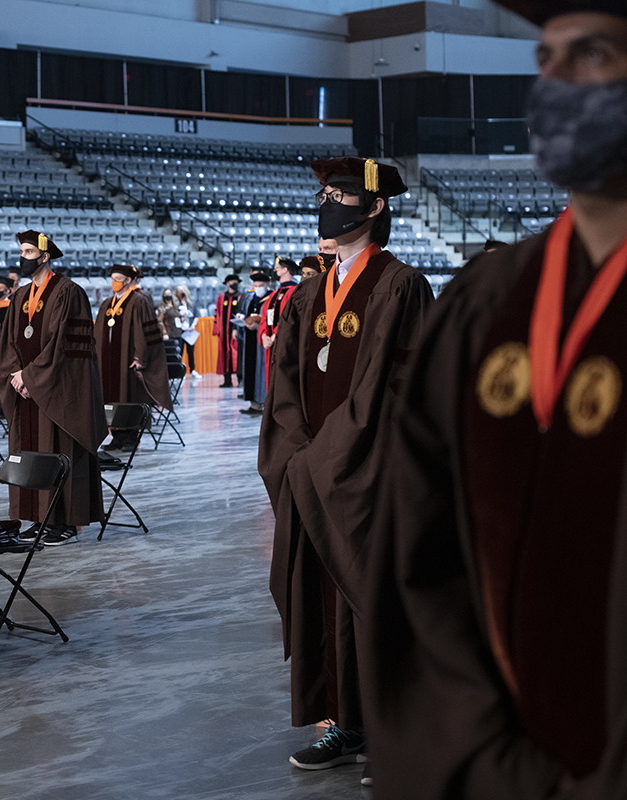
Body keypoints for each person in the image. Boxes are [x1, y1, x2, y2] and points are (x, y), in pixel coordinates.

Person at [361, 4, 627, 797]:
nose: (554, 83)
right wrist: (486, 766)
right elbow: (419, 558)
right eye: (546, 58)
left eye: (595, 55)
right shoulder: (490, 303)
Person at [258, 156, 432, 780]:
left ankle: (388, 731)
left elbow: (394, 392)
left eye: (341, 194)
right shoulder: (308, 293)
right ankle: (341, 724)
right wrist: (296, 453)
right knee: (322, 593)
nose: (327, 203)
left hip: (366, 475)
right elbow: (282, 384)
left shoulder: (401, 285)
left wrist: (328, 459)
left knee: (368, 591)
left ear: (376, 208)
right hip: (310, 469)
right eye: (324, 193)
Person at [0, 231, 107, 545]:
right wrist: (16, 376)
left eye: (29, 251)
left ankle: (64, 523)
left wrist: (31, 378)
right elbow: (8, 344)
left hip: (57, 391)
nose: (23, 257)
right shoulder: (20, 296)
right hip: (25, 391)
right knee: (30, 449)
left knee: (58, 448)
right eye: (21, 251)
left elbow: (64, 347)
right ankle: (37, 516)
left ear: (45, 256)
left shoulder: (69, 292)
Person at [94, 264, 171, 450]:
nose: (114, 282)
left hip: (127, 361)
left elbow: (144, 333)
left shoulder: (138, 301)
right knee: (111, 399)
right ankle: (117, 437)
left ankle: (132, 437)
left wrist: (140, 358)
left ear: (128, 280)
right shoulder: (107, 303)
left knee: (129, 397)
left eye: (118, 279)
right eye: (112, 279)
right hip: (108, 362)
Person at [258, 257, 300, 386]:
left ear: (285, 269)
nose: (275, 269)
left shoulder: (295, 292)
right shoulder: (273, 294)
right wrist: (264, 335)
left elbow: (290, 317)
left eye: (278, 267)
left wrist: (276, 335)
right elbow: (265, 317)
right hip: (270, 342)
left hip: (284, 342)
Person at [238, 269, 270, 415]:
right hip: (250, 337)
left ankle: (264, 402)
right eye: (255, 284)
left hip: (264, 339)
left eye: (260, 285)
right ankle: (254, 404)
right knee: (250, 368)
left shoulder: (271, 298)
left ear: (267, 285)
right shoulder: (250, 298)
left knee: (262, 370)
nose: (257, 287)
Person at [212, 273, 244, 389]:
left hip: (237, 332)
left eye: (236, 281)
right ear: (227, 283)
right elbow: (218, 314)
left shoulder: (241, 297)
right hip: (225, 332)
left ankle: (240, 379)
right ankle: (227, 380)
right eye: (233, 281)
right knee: (225, 355)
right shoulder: (222, 297)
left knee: (238, 355)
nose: (235, 283)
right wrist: (217, 329)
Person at [174, 285, 199, 379]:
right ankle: (179, 372)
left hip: (190, 331)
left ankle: (192, 370)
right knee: (180, 351)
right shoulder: (176, 304)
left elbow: (196, 315)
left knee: (191, 351)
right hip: (181, 332)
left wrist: (193, 325)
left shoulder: (191, 304)